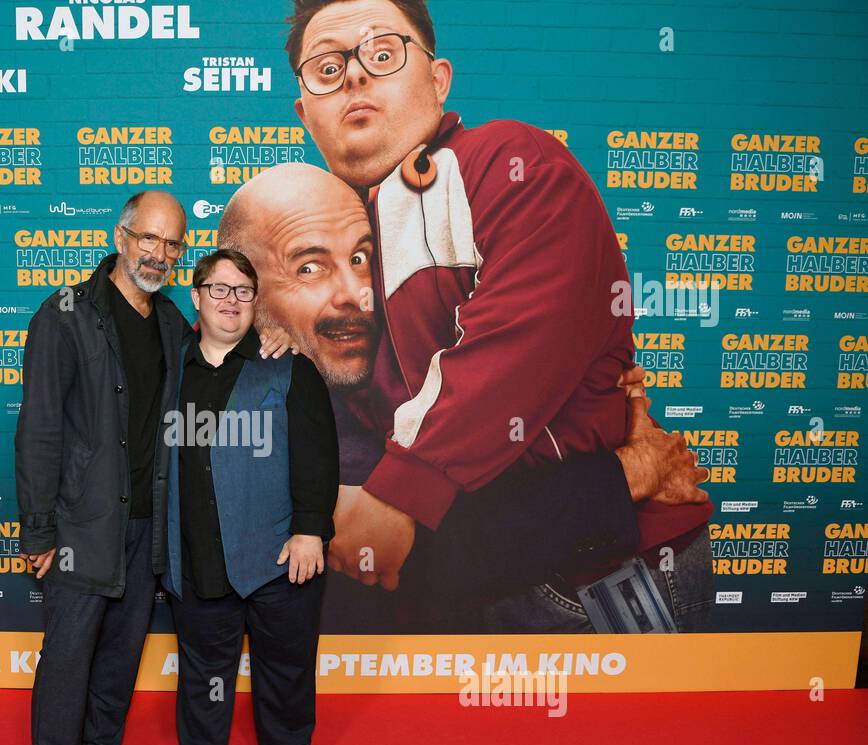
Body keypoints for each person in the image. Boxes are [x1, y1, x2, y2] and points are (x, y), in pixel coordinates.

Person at [280, 0, 715, 630]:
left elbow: (517, 344)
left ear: (437, 80)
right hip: (457, 577)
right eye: (325, 67)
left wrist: (400, 490)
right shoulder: (330, 238)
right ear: (305, 114)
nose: (353, 75)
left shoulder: (508, 161)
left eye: (382, 53)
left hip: (593, 579)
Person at [218, 161, 711, 630]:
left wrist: (588, 384)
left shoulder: (361, 347)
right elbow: (444, 548)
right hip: (526, 610)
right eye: (309, 268)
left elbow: (509, 357)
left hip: (609, 585)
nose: (356, 293)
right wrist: (630, 473)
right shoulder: (249, 408)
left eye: (361, 258)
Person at [15, 192, 293, 745]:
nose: (158, 254)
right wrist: (38, 534)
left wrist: (268, 337)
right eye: (148, 238)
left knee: (119, 655)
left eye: (171, 245)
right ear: (121, 235)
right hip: (82, 526)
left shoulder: (171, 319)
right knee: (69, 659)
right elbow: (39, 431)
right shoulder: (65, 316)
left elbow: (220, 353)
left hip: (150, 526)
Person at [161, 249, 338, 745]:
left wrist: (311, 530)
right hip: (197, 553)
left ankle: (292, 744)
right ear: (196, 295)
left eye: (242, 290)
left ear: (255, 300)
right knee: (203, 667)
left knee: (286, 658)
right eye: (218, 288)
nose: (230, 301)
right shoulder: (168, 372)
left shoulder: (286, 366)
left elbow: (317, 456)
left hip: (278, 553)